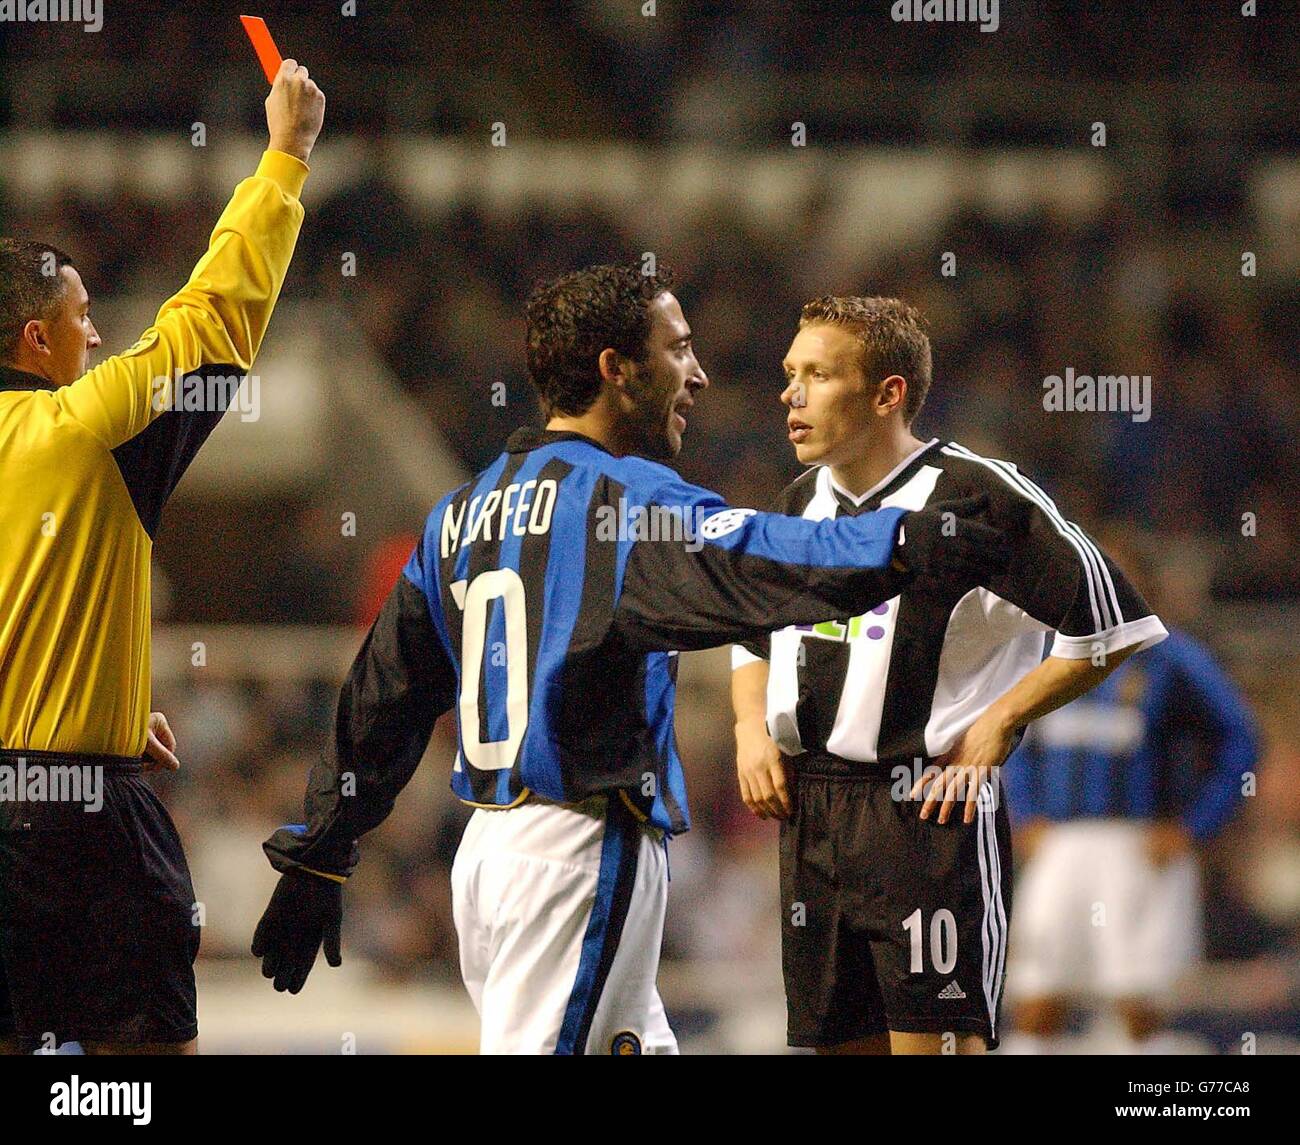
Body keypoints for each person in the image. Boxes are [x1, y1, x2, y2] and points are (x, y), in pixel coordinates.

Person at [250, 264, 1010, 1055]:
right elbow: (757, 558)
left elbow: (380, 697)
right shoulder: (622, 502)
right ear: (617, 368)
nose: (699, 374)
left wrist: (322, 850)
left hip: (491, 857)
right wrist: (898, 538)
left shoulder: (459, 513)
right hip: (574, 855)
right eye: (678, 349)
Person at [730, 296, 1168, 1054]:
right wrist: (747, 728)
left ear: (887, 393)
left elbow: (1112, 625)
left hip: (926, 811)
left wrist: (999, 720)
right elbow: (750, 630)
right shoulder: (798, 502)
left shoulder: (979, 495)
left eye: (818, 374)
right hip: (811, 814)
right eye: (789, 372)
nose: (790, 393)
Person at [0, 59, 324, 1055]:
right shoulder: (83, 427)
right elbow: (210, 322)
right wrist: (285, 159)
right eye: (82, 317)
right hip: (89, 821)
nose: (96, 335)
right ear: (34, 337)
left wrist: (79, 697)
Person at [1002, 528, 1258, 1051]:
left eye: (1116, 576)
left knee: (1137, 1000)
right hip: (1059, 843)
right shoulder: (1045, 657)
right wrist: (1023, 815)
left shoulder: (1173, 659)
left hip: (1137, 845)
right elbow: (1011, 737)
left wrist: (1194, 826)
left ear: (1140, 585)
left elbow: (1241, 738)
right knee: (1036, 995)